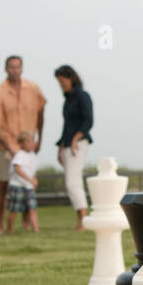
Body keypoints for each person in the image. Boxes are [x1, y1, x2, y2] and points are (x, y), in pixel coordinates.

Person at [0, 55, 46, 234]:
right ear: (6, 69)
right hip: (3, 147)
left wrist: (38, 139)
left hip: (27, 146)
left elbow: (41, 113)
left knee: (26, 184)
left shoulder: (33, 89)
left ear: (22, 68)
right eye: (11, 67)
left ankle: (26, 223)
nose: (15, 70)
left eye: (18, 67)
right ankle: (1, 225)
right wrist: (11, 146)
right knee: (3, 185)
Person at [54, 65, 93, 230]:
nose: (61, 84)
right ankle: (81, 217)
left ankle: (83, 218)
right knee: (72, 182)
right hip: (67, 144)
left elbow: (88, 121)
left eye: (62, 81)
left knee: (73, 182)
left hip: (79, 144)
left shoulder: (83, 97)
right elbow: (67, 125)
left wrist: (76, 138)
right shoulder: (68, 100)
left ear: (71, 79)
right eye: (59, 82)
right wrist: (61, 145)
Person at [4, 132, 40, 234]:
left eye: (32, 141)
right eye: (28, 142)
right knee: (14, 210)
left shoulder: (33, 155)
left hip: (28, 186)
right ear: (21, 144)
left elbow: (32, 170)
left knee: (32, 208)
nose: (31, 144)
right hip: (17, 185)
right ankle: (9, 229)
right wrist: (29, 179)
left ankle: (35, 230)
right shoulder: (19, 155)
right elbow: (18, 169)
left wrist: (34, 180)